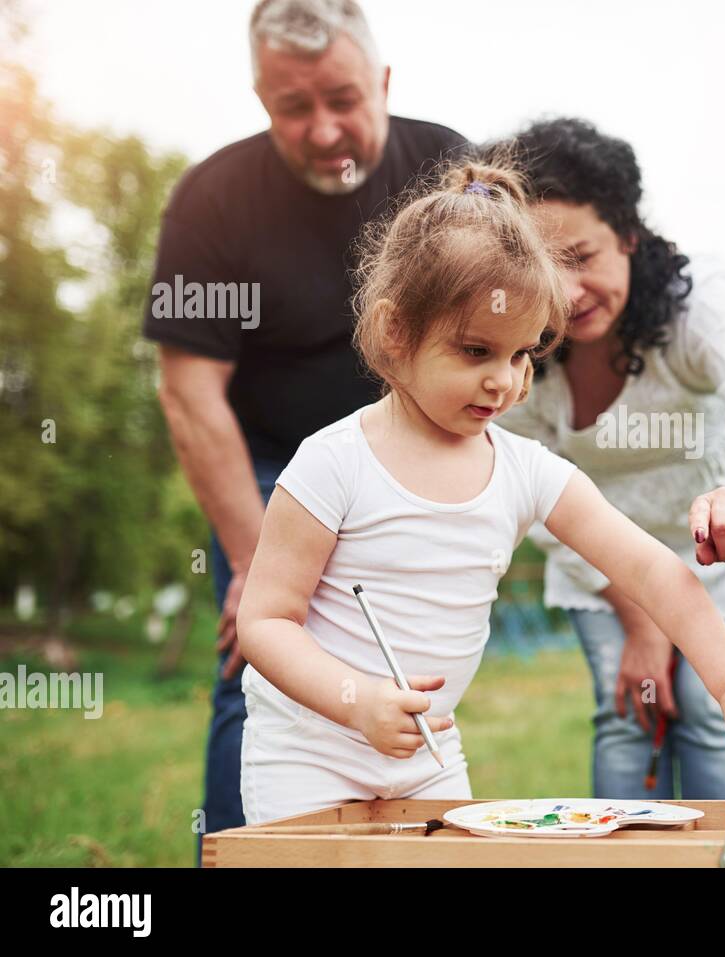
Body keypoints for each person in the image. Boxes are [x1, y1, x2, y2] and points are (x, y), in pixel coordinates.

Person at [233, 157, 725, 824]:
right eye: (476, 351)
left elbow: (651, 569)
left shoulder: (527, 469)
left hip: (428, 757)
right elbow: (265, 620)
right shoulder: (332, 464)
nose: (504, 380)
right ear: (393, 331)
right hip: (306, 757)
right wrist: (359, 700)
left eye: (523, 353)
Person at [140, 0, 467, 850]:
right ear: (261, 100)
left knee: (405, 683)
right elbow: (189, 393)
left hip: (408, 460)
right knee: (257, 668)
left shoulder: (447, 168)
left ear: (384, 83)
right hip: (273, 471)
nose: (324, 129)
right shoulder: (211, 200)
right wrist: (253, 558)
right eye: (294, 106)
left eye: (343, 99)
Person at [495, 118, 725, 801]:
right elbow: (528, 492)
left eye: (583, 255)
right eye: (541, 263)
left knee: (711, 710)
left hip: (724, 549)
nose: (565, 291)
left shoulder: (696, 300)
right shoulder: (512, 340)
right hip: (602, 562)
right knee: (630, 714)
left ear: (627, 234)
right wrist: (642, 622)